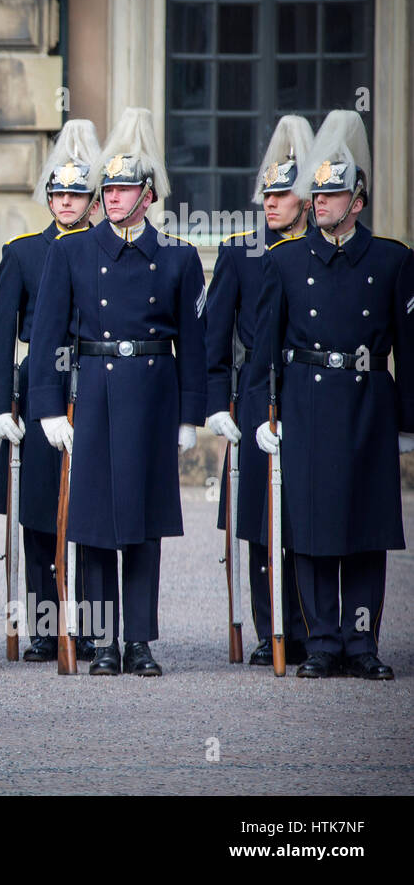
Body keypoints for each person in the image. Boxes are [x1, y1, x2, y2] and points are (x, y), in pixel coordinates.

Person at [30, 108, 207, 677]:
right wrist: (49, 408)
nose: (112, 196)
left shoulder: (178, 257)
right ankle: (103, 642)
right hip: (97, 393)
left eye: (126, 187)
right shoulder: (72, 251)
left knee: (144, 523)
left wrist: (188, 415)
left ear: (148, 195)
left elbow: (194, 345)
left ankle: (139, 641)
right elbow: (47, 336)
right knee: (96, 524)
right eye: (108, 187)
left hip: (153, 395)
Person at [252, 109, 413, 680]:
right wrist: (263, 413)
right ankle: (322, 640)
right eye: (315, 195)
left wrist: (406, 421)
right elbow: (266, 346)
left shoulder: (393, 261)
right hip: (308, 400)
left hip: (369, 399)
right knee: (315, 525)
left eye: (331, 194)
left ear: (357, 201)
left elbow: (408, 349)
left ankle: (362, 641)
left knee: (366, 530)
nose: (319, 202)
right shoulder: (285, 261)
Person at [0, 119, 100, 662]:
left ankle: (93, 625)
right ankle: (44, 626)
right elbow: (1, 332)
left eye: (76, 193)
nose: (65, 202)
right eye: (57, 193)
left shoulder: (106, 249)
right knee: (37, 518)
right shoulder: (24, 252)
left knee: (91, 510)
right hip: (39, 387)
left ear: (91, 198)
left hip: (96, 382)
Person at [204, 115, 313, 667]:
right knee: (259, 519)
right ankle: (270, 628)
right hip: (253, 397)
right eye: (267, 194)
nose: (271, 203)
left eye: (283, 195)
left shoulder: (317, 251)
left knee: (307, 513)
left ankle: (310, 627)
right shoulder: (238, 252)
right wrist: (215, 405)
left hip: (308, 396)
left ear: (307, 200)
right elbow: (214, 339)